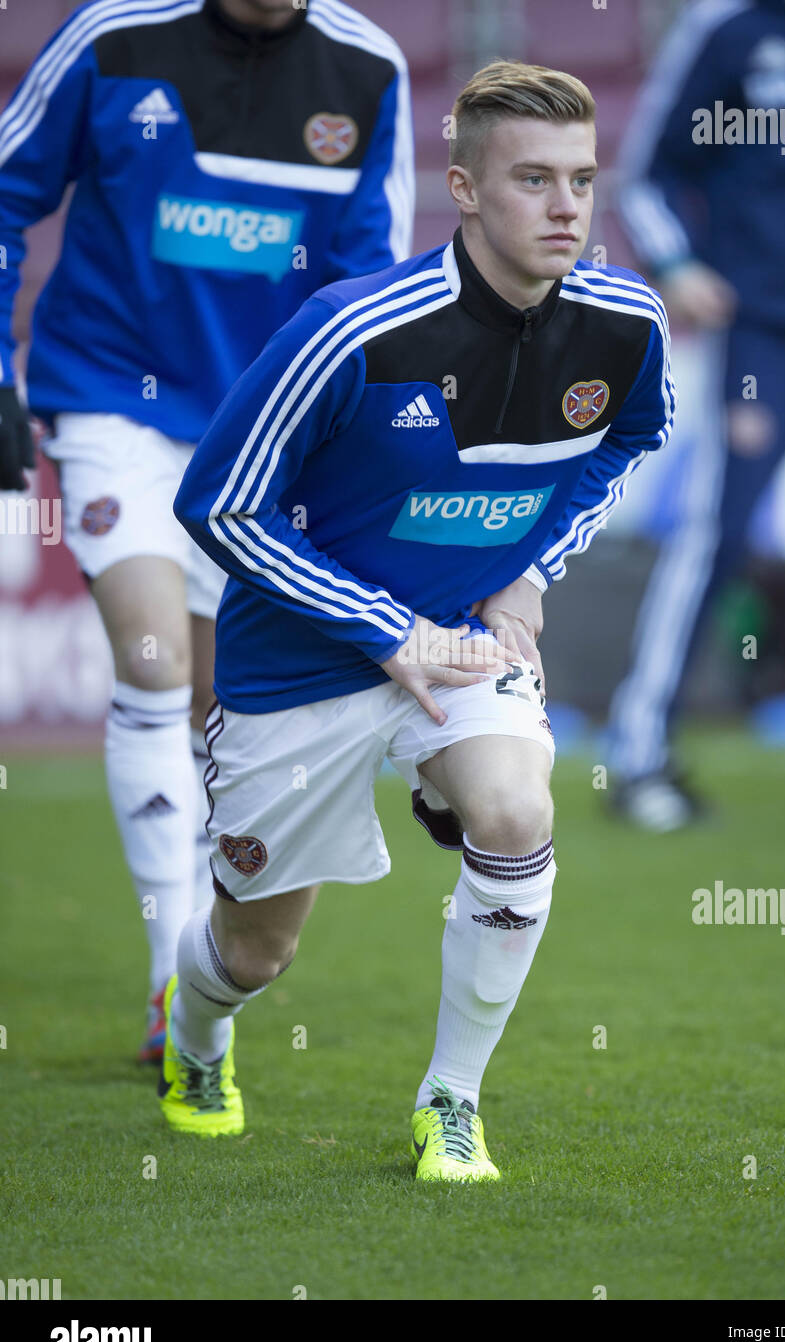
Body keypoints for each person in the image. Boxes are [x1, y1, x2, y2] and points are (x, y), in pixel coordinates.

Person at [159, 59, 675, 1181]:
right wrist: (383, 629)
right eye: (532, 180)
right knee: (254, 952)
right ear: (464, 189)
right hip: (299, 661)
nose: (564, 207)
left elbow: (625, 445)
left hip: (465, 641)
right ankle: (194, 1037)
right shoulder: (350, 328)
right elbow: (217, 503)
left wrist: (530, 569)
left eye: (581, 180)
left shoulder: (626, 324)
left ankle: (451, 1100)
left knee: (510, 811)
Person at [0, 0, 413, 1055]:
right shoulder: (111, 38)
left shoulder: (366, 70)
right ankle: (162, 984)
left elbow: (373, 285)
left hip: (262, 434)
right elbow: (7, 189)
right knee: (148, 663)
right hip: (112, 405)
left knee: (212, 711)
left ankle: (196, 951)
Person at [606, 0, 785, 831]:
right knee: (717, 534)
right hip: (768, 337)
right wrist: (674, 263)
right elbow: (649, 173)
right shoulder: (730, 30)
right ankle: (639, 756)